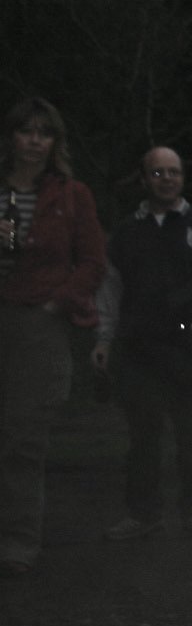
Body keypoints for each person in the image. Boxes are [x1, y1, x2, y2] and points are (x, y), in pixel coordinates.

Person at [95, 147, 192, 541]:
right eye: (158, 173)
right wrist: (104, 338)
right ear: (144, 178)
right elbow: (109, 291)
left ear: (183, 177)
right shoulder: (125, 233)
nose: (166, 179)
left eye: (173, 172)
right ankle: (143, 515)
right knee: (143, 439)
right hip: (139, 349)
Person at [0, 99, 107, 577]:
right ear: (12, 137)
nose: (35, 140)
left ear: (54, 141)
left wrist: (56, 303)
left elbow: (93, 262)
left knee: (24, 439)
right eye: (26, 131)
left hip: (37, 325)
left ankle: (17, 541)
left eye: (44, 132)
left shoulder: (71, 195)